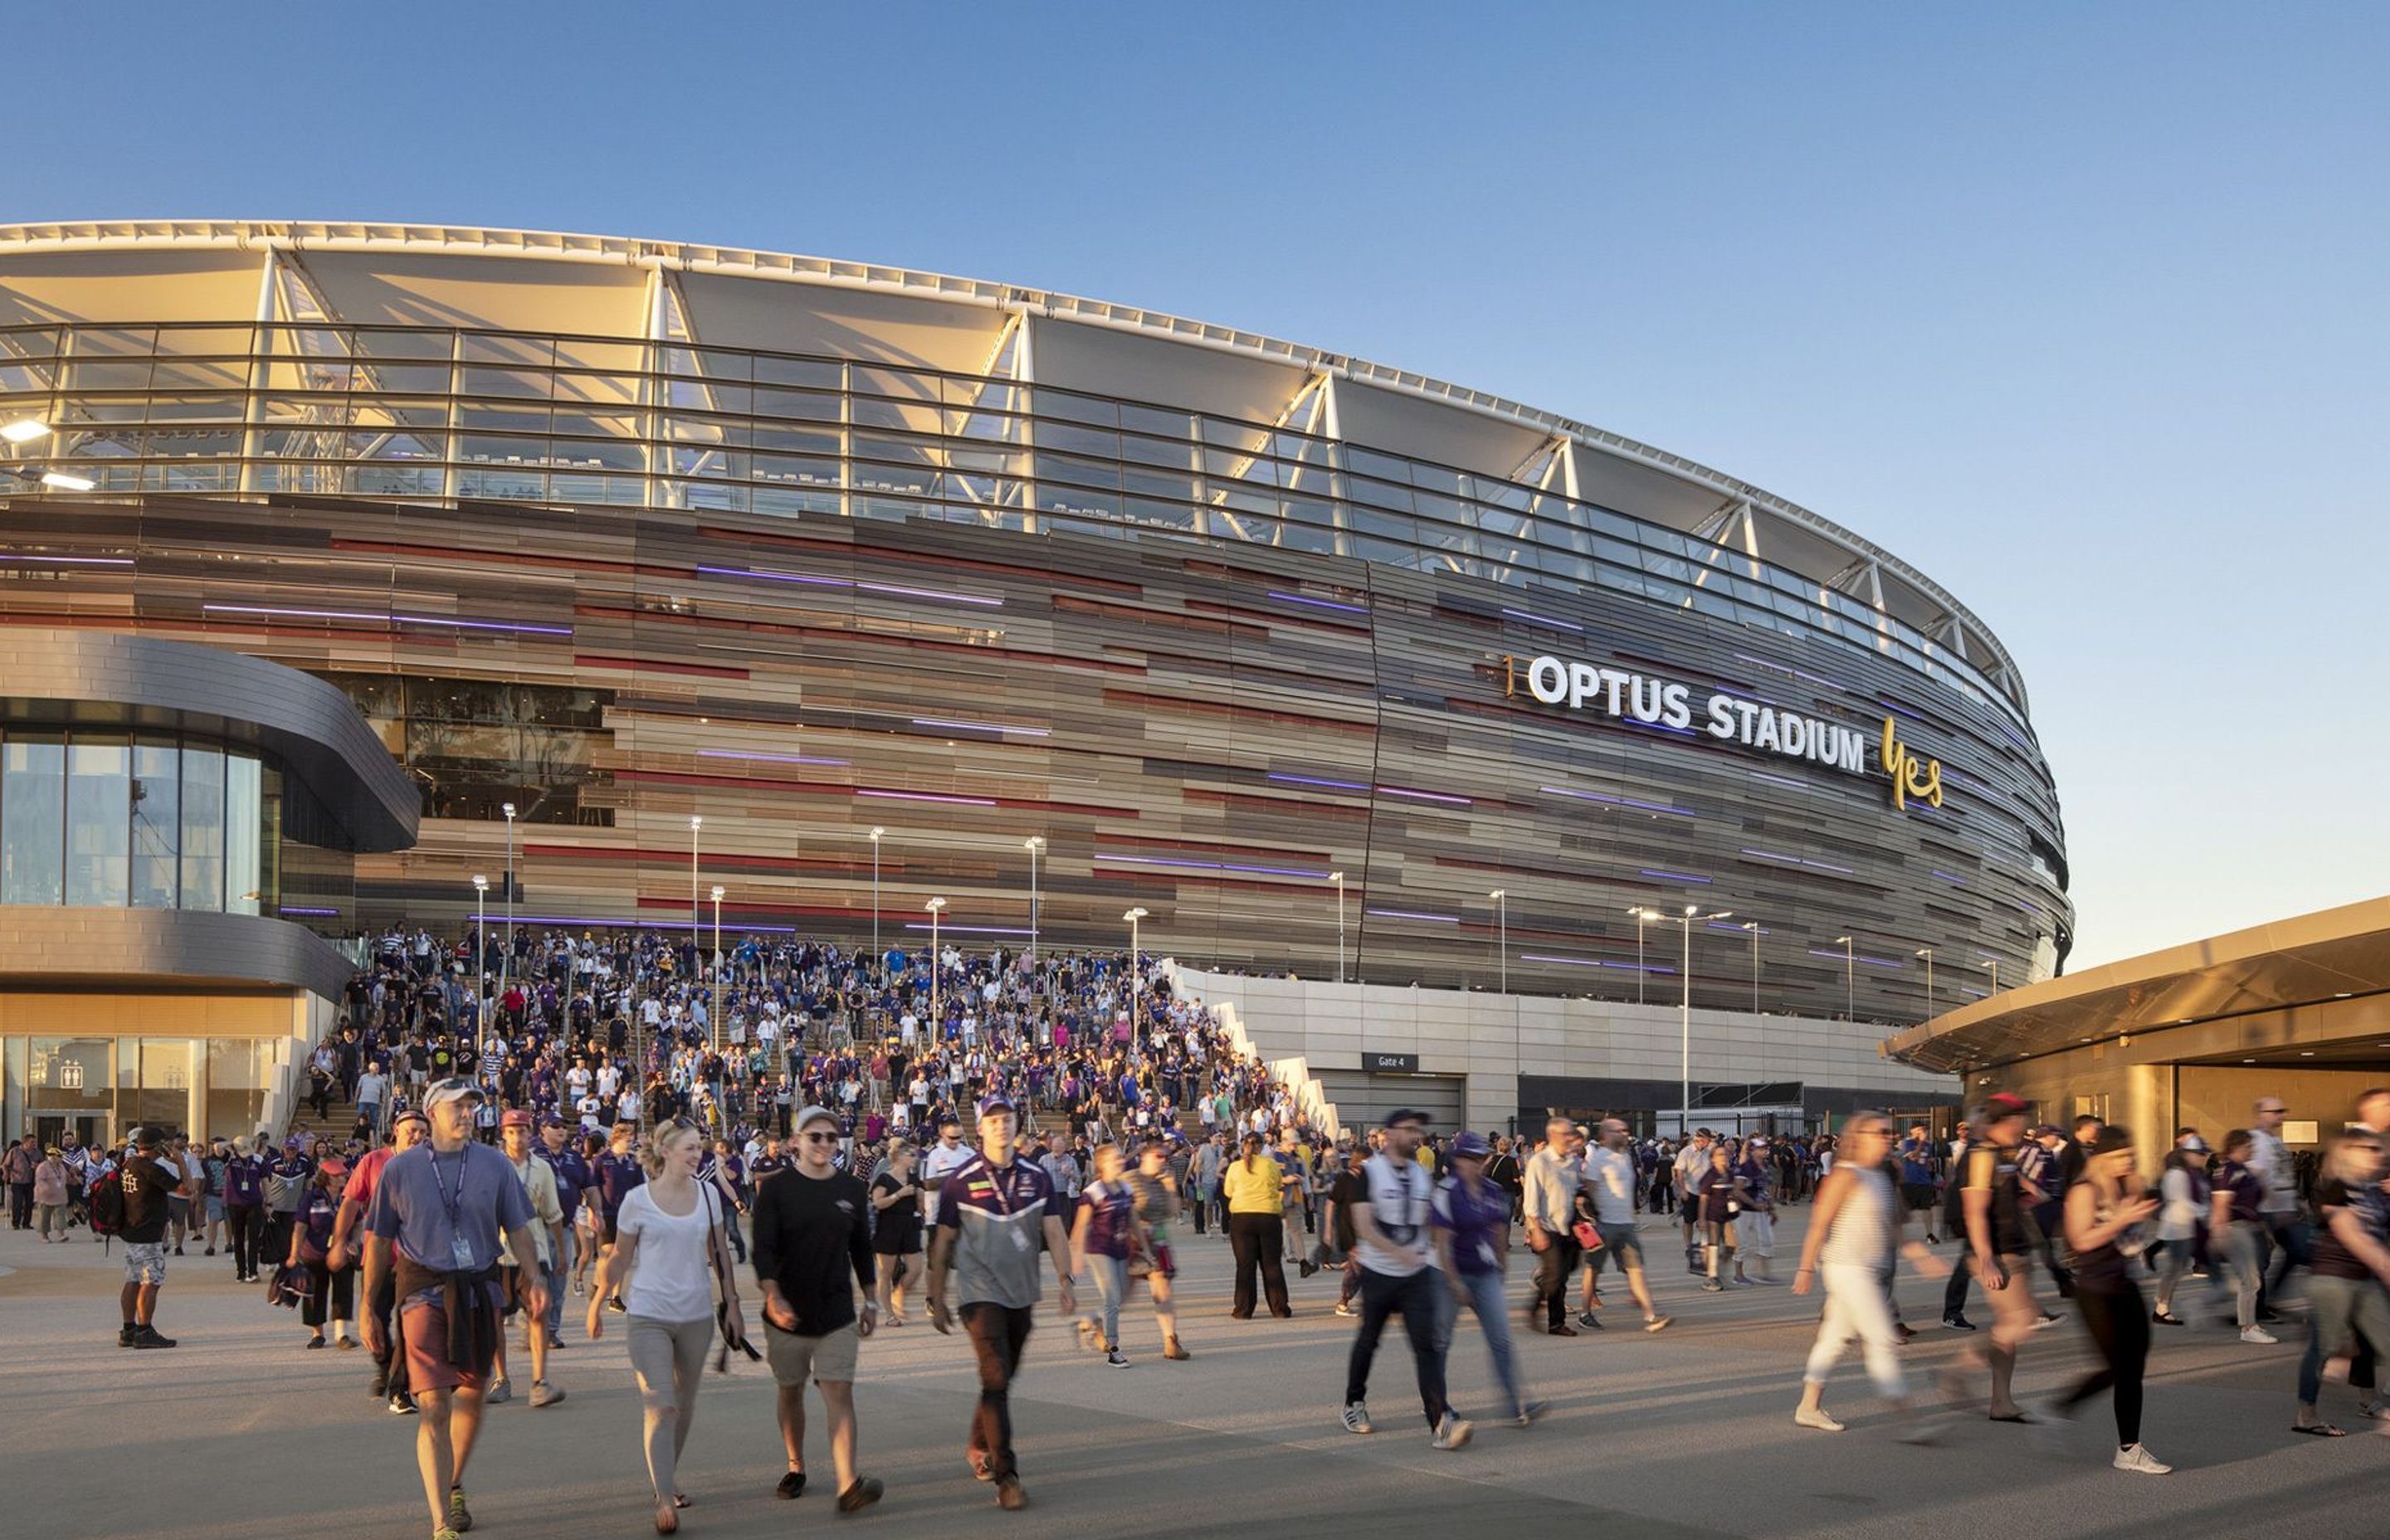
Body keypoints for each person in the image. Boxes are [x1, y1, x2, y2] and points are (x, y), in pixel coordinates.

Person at [362, 1078, 547, 1540]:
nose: (468, 1113)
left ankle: (454, 1480)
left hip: (478, 1292)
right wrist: (367, 1306)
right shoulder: (400, 1170)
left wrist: (535, 1276)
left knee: (471, 1398)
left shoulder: (494, 1166)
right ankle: (441, 1520)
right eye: (457, 1106)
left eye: (472, 1106)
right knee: (433, 1406)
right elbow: (380, 1242)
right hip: (423, 1291)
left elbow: (519, 1227)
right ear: (432, 1113)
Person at [589, 1116, 744, 1533]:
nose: (698, 1155)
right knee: (662, 1404)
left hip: (695, 1316)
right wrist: (599, 1300)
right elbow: (620, 1258)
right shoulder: (637, 1200)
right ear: (666, 1151)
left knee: (685, 1405)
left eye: (700, 1148)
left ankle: (667, 1474)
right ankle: (663, 1497)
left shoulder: (710, 1195)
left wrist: (732, 1303)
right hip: (648, 1315)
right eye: (690, 1148)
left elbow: (720, 1253)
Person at [924, 1093, 1075, 1511]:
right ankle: (1007, 1476)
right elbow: (943, 1243)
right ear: (981, 1129)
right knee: (995, 1376)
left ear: (1015, 1125)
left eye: (1007, 1119)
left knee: (1001, 1378)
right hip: (979, 1293)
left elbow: (1056, 1232)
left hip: (1023, 1293)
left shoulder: (1037, 1176)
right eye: (993, 1121)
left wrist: (1067, 1279)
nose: (1001, 1126)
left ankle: (977, 1442)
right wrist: (936, 1296)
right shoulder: (961, 1180)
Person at [752, 1104, 884, 1513]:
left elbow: (861, 1248)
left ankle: (848, 1484)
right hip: (786, 1314)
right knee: (790, 1390)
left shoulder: (851, 1189)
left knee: (839, 1391)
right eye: (815, 1137)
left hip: (836, 1311)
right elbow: (764, 1252)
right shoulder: (775, 1189)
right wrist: (774, 1296)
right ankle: (796, 1465)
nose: (824, 1144)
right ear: (796, 1142)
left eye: (831, 1137)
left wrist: (872, 1297)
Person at [1791, 1111, 1947, 1435]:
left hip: (1868, 1268)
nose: (1888, 1138)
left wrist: (1920, 1256)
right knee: (1881, 1339)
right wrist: (1805, 1268)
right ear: (1858, 1138)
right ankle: (1910, 1419)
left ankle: (1808, 1407)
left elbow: (1893, 1225)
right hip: (1846, 1267)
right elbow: (1819, 1223)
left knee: (1833, 1340)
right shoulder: (1846, 1174)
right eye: (1880, 1133)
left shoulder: (1879, 1175)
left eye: (1889, 1133)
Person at [2043, 1125, 2170, 1473]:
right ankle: (2074, 1415)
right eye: (2119, 1156)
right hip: (2095, 1291)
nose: (2127, 1162)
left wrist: (2136, 1218)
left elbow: (2131, 1243)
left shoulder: (2127, 1186)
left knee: (2133, 1367)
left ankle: (2125, 1446)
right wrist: (2122, 1219)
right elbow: (2081, 1241)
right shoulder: (2084, 1191)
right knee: (2118, 1367)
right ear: (2101, 1158)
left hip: (2125, 1285)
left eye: (2130, 1156)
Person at [1342, 1109, 1469, 1450]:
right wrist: (1398, 1253)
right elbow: (1363, 1225)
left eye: (1418, 1130)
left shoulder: (1419, 1173)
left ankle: (1439, 1422)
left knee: (1426, 1347)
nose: (1415, 1135)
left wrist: (1437, 1255)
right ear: (1389, 1133)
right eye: (1409, 1129)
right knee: (1369, 1340)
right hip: (1379, 1273)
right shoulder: (1369, 1173)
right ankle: (1354, 1404)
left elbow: (1428, 1219)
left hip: (1416, 1276)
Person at [1430, 1132, 1530, 1425]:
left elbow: (1499, 1230)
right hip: (1450, 1274)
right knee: (1441, 1343)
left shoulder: (1491, 1189)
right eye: (1471, 1158)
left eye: (1480, 1158)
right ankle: (1438, 1405)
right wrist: (1454, 1282)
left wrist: (1502, 1267)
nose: (1478, 1164)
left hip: (1484, 1272)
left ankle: (1515, 1404)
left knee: (1501, 1339)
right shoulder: (1446, 1192)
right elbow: (1442, 1243)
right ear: (1458, 1161)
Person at [334, 1109, 431, 1412]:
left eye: (422, 1132)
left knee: (409, 1326)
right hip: (378, 1258)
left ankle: (399, 1389)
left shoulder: (432, 1166)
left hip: (415, 1262)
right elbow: (351, 1202)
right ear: (395, 1130)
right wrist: (339, 1242)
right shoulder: (373, 1161)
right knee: (374, 1319)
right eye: (411, 1130)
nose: (416, 1136)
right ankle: (386, 1366)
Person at [1958, 1093, 2041, 1421]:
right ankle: (1957, 1373)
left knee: (2010, 1327)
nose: (2021, 1125)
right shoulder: (1981, 1156)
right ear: (1997, 1123)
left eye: (2021, 1119)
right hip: (1995, 1252)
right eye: (2014, 1120)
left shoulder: (2002, 1154)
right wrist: (1987, 1258)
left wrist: (2029, 1194)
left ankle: (2002, 1402)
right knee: (2022, 1321)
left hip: (2012, 1248)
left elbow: (2006, 1197)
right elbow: (1974, 1212)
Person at [491, 1109, 567, 1407]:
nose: (517, 1137)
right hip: (498, 1253)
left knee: (538, 1313)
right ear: (503, 1134)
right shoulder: (493, 1166)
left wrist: (560, 1251)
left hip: (535, 1249)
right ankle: (501, 1378)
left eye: (522, 1131)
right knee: (496, 1318)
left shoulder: (542, 1168)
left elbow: (554, 1213)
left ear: (529, 1133)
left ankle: (539, 1381)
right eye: (511, 1131)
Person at [1583, 1118, 1673, 1331]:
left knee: (1636, 1269)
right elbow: (1589, 1189)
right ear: (1606, 1134)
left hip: (1626, 1224)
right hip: (1605, 1224)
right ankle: (1586, 1313)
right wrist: (1591, 1220)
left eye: (1626, 1130)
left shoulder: (1624, 1157)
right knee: (1593, 1269)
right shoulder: (1598, 1158)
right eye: (1619, 1130)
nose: (1625, 1133)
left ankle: (1650, 1316)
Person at [117, 1125, 198, 1348]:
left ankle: (128, 1329)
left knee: (132, 1279)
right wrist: (180, 1161)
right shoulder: (151, 1169)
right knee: (150, 1282)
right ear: (157, 1146)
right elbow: (187, 1190)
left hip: (131, 1231)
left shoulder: (129, 1164)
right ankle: (145, 1330)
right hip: (149, 1233)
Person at [1125, 1138, 1191, 1360]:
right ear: (1145, 1156)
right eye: (1159, 1156)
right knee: (1122, 1296)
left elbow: (1173, 1213)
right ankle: (1096, 1324)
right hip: (1134, 1244)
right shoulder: (1130, 1179)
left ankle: (1171, 1341)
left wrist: (1172, 1188)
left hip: (1158, 1243)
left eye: (1166, 1157)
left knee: (1163, 1293)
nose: (1163, 1161)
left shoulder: (1163, 1182)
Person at [287, 1157, 360, 1350]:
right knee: (314, 1294)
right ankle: (317, 1334)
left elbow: (359, 1222)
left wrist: (354, 1241)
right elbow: (300, 1227)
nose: (342, 1178)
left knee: (343, 1291)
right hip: (314, 1254)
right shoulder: (311, 1197)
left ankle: (342, 1334)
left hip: (342, 1253)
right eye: (337, 1175)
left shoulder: (348, 1197)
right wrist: (294, 1254)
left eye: (343, 1175)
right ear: (326, 1177)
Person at [2212, 1129, 2275, 1342]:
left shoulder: (2243, 1170)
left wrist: (2264, 1230)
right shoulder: (2229, 1170)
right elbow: (2221, 1204)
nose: (2252, 1150)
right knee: (2251, 1279)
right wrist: (2220, 1234)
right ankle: (2248, 1327)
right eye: (2249, 1147)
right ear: (2237, 1146)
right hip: (2235, 1228)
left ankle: (2250, 1324)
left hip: (2248, 1227)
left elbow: (2256, 1200)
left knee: (2250, 1278)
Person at [1523, 1117, 1583, 1335]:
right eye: (1567, 1134)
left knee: (1568, 1270)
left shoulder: (1574, 1162)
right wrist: (1535, 1230)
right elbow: (1531, 1201)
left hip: (1569, 1227)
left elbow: (1577, 1191)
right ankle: (1556, 1323)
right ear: (1553, 1136)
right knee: (1557, 1275)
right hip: (1547, 1227)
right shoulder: (1540, 1162)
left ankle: (1541, 1294)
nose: (1571, 1138)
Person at [1223, 1131, 1291, 1319]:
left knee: (1245, 1265)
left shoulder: (1235, 1167)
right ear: (1261, 1146)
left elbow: (1228, 1192)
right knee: (1272, 1265)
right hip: (1268, 1215)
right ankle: (1279, 1308)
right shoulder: (1269, 1164)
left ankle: (1243, 1309)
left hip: (1242, 1217)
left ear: (1243, 1145)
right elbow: (1278, 1184)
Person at [871, 1141, 925, 1324]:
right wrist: (898, 1194)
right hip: (888, 1225)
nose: (914, 1158)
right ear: (899, 1157)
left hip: (910, 1224)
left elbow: (921, 1209)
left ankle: (899, 1292)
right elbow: (877, 1203)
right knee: (886, 1272)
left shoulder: (914, 1178)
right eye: (910, 1154)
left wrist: (920, 1199)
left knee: (916, 1269)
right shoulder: (884, 1178)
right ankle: (890, 1315)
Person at [32, 1144, 71, 1241]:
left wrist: (75, 1179)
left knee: (60, 1215)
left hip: (60, 1195)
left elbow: (67, 1177)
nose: (61, 1158)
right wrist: (46, 1189)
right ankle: (44, 1236)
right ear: (53, 1157)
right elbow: (40, 1180)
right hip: (46, 1196)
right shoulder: (43, 1167)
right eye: (60, 1156)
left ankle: (61, 1234)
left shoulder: (61, 1167)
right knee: (45, 1216)